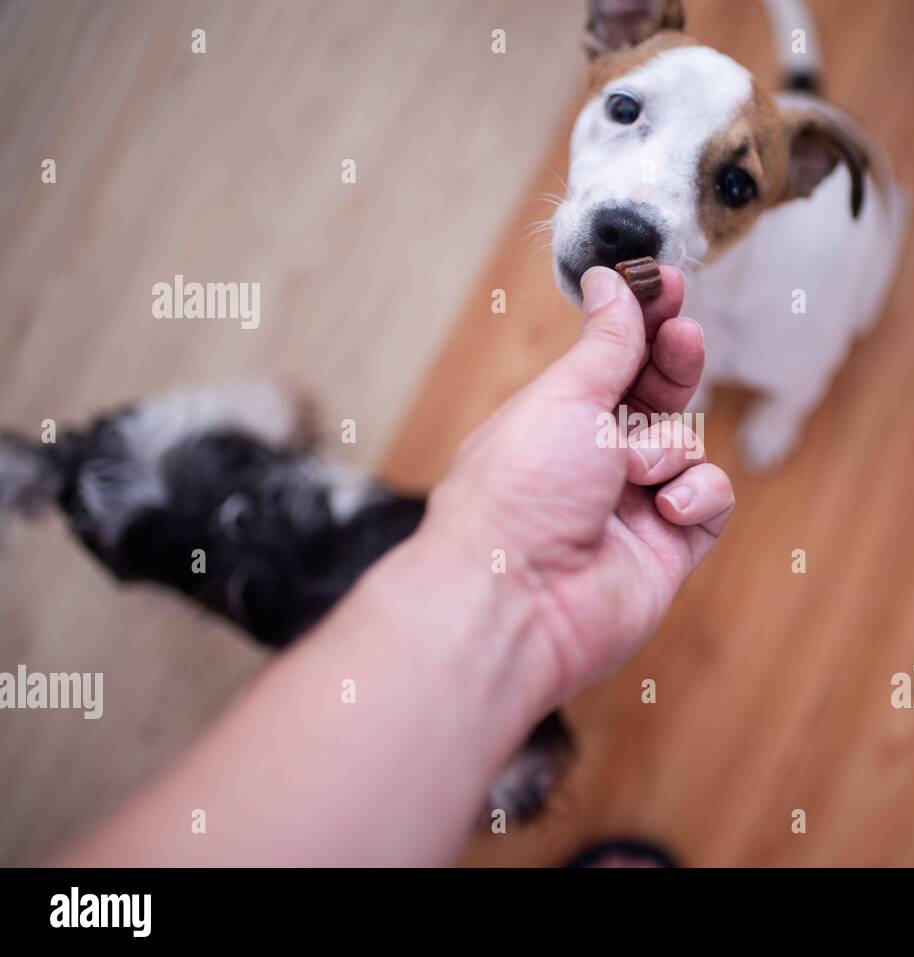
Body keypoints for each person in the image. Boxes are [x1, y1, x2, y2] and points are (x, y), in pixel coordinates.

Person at [59, 266, 734, 866]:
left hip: (146, 497)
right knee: (270, 426)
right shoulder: (384, 593)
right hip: (162, 489)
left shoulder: (380, 603)